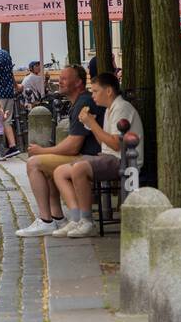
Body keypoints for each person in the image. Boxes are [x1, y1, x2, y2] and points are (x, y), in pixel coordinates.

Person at [16, 65, 104, 238]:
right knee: (46, 162)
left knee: (34, 163)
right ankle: (57, 217)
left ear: (78, 82)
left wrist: (42, 151)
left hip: (90, 158)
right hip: (85, 156)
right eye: (60, 78)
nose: (59, 81)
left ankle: (46, 220)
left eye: (64, 78)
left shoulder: (84, 102)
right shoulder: (79, 102)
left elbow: (73, 145)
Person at [50, 72, 142, 238]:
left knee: (79, 169)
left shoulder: (121, 108)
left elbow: (115, 144)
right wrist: (90, 124)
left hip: (123, 160)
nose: (92, 96)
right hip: (108, 156)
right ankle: (76, 218)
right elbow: (105, 142)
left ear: (108, 91)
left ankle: (86, 221)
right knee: (59, 172)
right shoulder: (108, 110)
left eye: (95, 91)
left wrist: (91, 123)